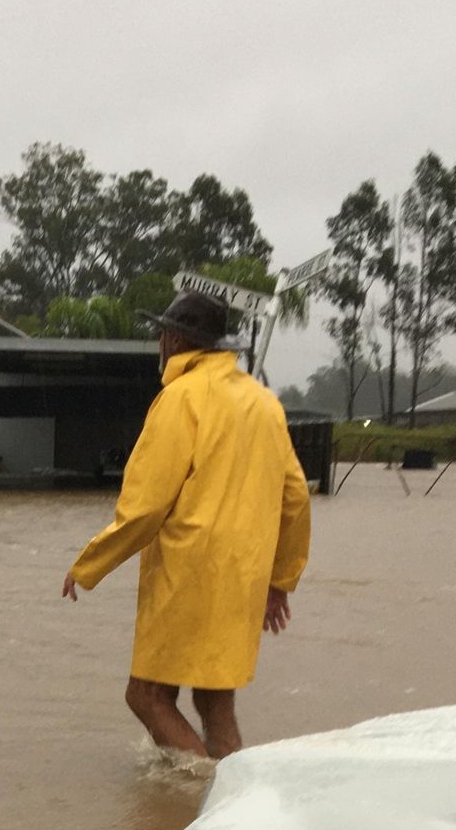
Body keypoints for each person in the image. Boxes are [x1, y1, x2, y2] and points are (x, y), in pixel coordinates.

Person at [61, 290, 311, 760]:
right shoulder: (264, 403)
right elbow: (295, 498)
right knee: (215, 703)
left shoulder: (180, 399)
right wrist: (279, 581)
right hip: (244, 577)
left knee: (147, 696)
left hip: (189, 574)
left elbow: (146, 507)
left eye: (161, 333)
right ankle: (233, 804)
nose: (159, 342)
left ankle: (198, 795)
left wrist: (89, 564)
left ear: (175, 340)